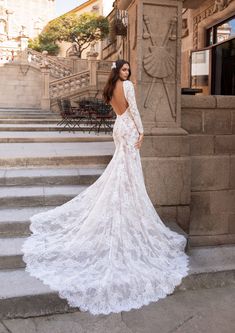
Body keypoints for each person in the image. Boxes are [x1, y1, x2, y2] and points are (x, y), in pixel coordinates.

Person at [22, 59, 190, 316]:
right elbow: (133, 109)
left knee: (121, 168)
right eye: (123, 69)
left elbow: (118, 110)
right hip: (130, 128)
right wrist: (142, 131)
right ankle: (127, 203)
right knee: (129, 169)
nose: (127, 72)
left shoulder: (110, 89)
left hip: (117, 127)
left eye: (127, 70)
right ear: (118, 71)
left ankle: (124, 202)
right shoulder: (128, 86)